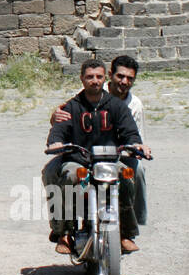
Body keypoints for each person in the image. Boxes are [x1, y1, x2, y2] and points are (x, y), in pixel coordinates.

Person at [44, 58, 147, 256]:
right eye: (90, 77)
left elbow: (130, 132)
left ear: (104, 78)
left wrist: (137, 144)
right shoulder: (72, 106)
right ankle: (64, 232)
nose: (95, 81)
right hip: (79, 160)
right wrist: (55, 142)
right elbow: (59, 129)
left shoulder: (117, 106)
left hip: (109, 161)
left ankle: (126, 234)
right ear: (82, 79)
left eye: (99, 77)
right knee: (68, 176)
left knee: (127, 176)